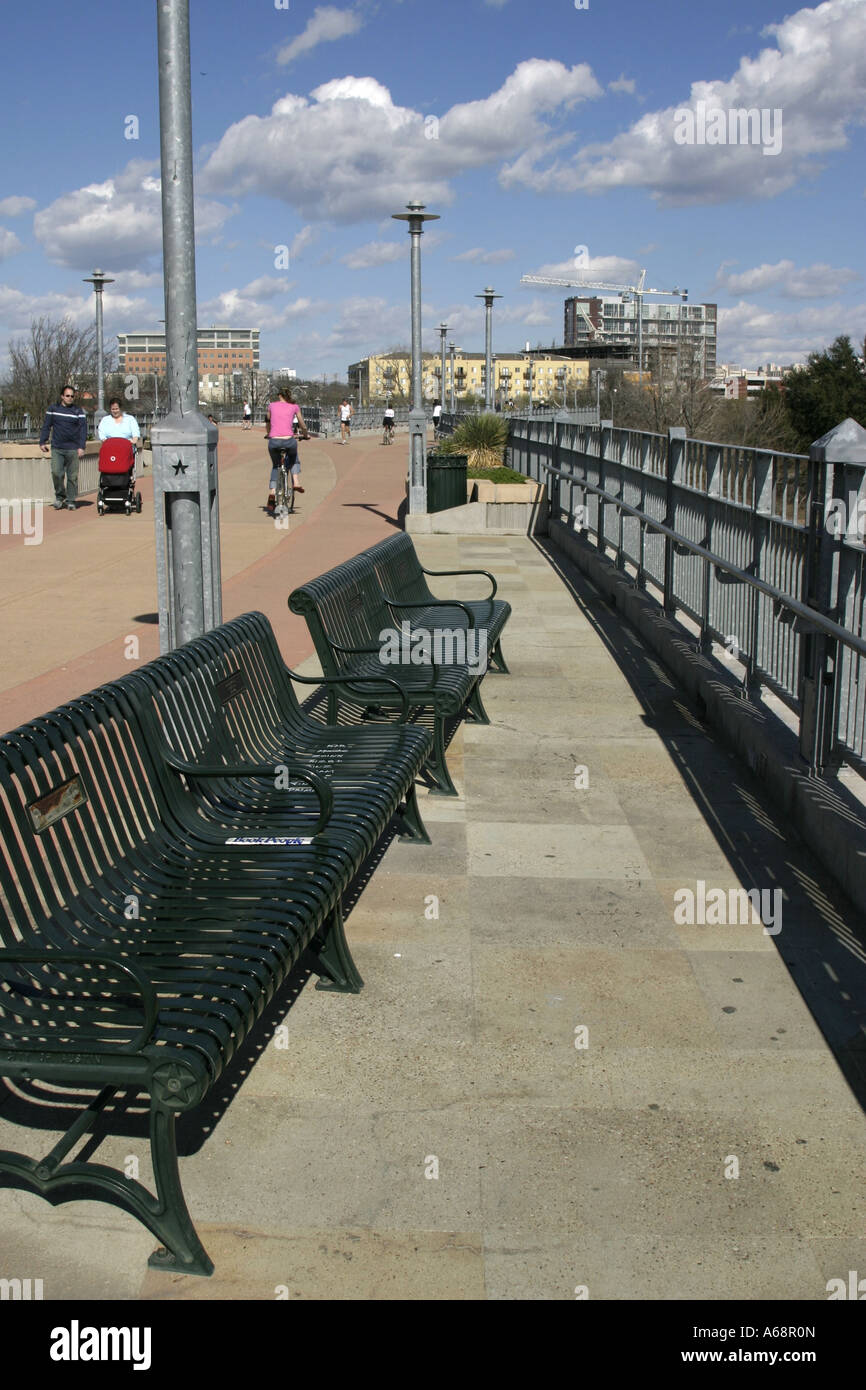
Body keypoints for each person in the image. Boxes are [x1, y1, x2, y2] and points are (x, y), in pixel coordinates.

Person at [39, 384, 87, 510]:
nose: (70, 398)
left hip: (73, 449)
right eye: (67, 396)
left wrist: (81, 446)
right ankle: (60, 497)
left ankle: (71, 500)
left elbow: (83, 430)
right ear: (62, 396)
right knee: (56, 473)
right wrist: (42, 442)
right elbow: (46, 426)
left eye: (72, 396)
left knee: (72, 476)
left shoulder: (78, 411)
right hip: (57, 448)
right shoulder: (53, 409)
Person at [264, 388, 308, 513]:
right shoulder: (294, 406)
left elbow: (267, 421)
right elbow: (302, 424)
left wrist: (269, 433)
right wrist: (305, 434)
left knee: (275, 465)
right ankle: (296, 482)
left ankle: (272, 492)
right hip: (289, 440)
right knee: (294, 458)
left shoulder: (271, 405)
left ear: (279, 395)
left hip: (274, 441)